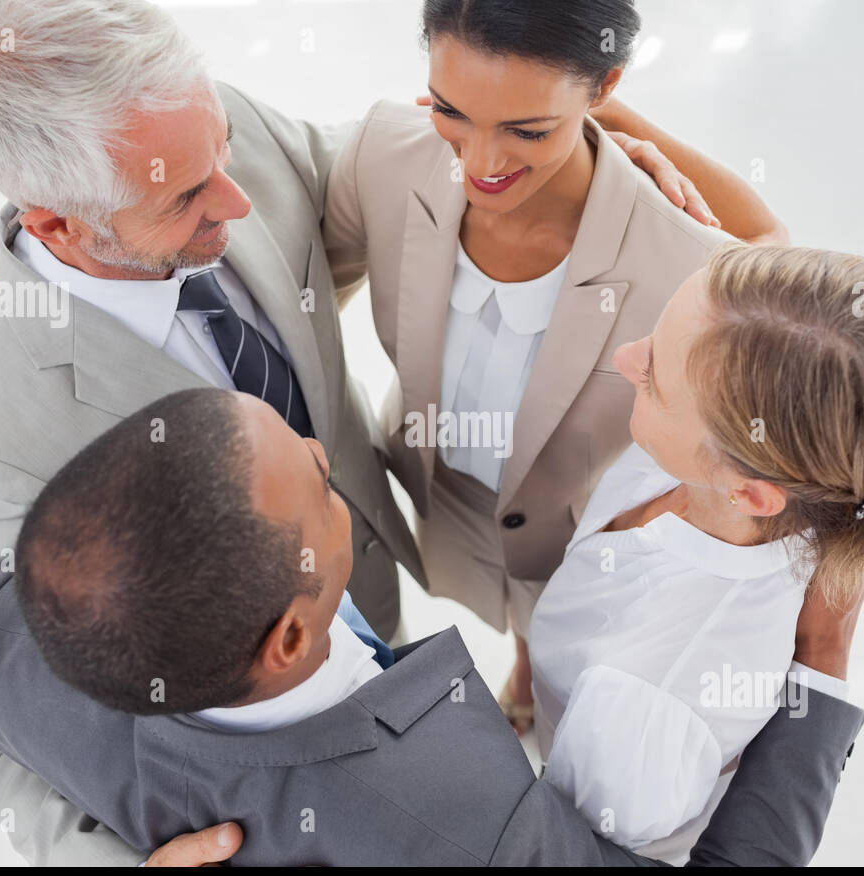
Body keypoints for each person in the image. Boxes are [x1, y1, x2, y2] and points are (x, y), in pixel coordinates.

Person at [0, 0, 708, 865]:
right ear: (56, 223)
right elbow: (4, 692)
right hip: (275, 735)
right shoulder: (1, 417)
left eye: (219, 146)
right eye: (188, 195)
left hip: (374, 585)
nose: (239, 193)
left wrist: (583, 156)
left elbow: (404, 167)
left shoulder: (213, 133)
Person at [0, 322, 864, 865]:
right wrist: (817, 671)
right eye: (316, 484)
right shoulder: (463, 823)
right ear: (290, 633)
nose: (329, 452)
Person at [321, 0, 794, 730]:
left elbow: (773, 265)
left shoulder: (686, 258)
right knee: (506, 592)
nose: (479, 164)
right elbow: (310, 293)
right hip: (444, 480)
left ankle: (530, 662)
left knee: (554, 619)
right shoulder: (382, 152)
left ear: (605, 86)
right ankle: (523, 648)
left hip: (579, 518)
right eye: (453, 110)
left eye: (526, 128)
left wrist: (607, 130)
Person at [531, 244, 864, 863]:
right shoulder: (724, 452)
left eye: (654, 375)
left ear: (751, 491)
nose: (627, 355)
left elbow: (570, 842)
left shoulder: (649, 701)